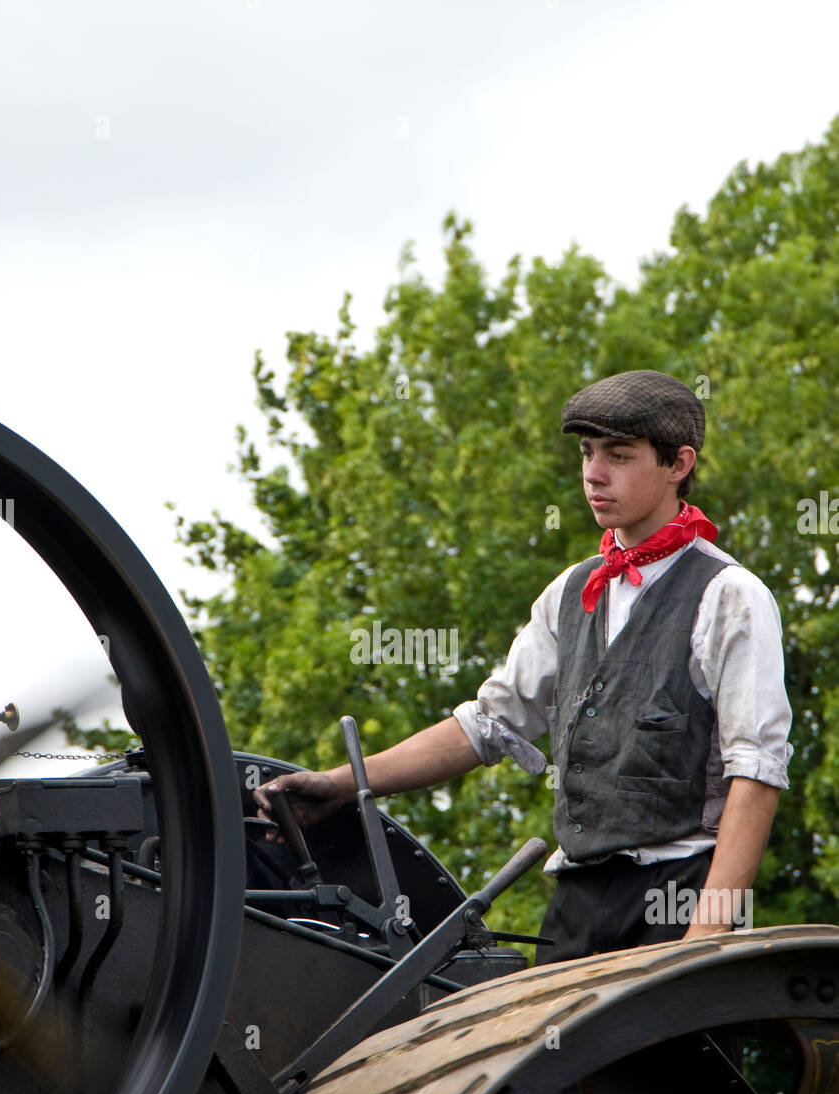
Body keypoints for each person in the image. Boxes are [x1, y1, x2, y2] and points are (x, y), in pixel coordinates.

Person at [254, 370, 793, 961]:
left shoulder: (730, 594)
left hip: (681, 896)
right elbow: (488, 726)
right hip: (576, 902)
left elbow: (756, 773)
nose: (593, 473)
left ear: (678, 463)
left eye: (619, 455)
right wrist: (340, 784)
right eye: (587, 453)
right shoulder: (569, 592)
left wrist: (707, 940)